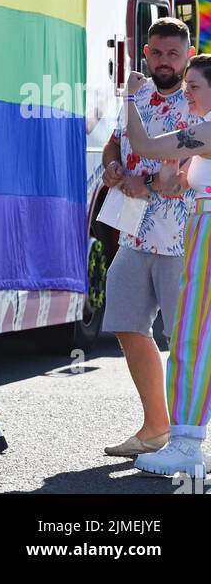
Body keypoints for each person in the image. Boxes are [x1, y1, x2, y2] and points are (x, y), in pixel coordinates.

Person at [100, 17, 195, 459]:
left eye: (172, 54)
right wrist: (113, 167)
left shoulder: (196, 101)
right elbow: (115, 142)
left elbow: (184, 171)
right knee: (124, 322)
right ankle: (156, 427)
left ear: (187, 56)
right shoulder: (136, 95)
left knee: (185, 339)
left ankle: (186, 437)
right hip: (135, 233)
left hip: (182, 238)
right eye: (156, 53)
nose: (163, 61)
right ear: (146, 54)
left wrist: (149, 185)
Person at [123, 53, 211, 477]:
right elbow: (176, 185)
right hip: (199, 227)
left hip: (207, 231)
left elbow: (142, 144)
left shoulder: (207, 129)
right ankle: (185, 440)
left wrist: (130, 100)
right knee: (194, 340)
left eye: (194, 86)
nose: (186, 93)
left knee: (191, 340)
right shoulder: (201, 131)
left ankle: (187, 444)